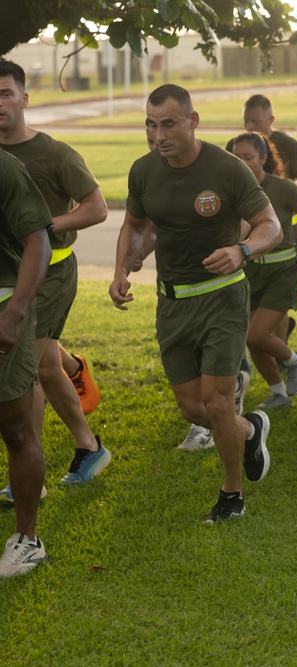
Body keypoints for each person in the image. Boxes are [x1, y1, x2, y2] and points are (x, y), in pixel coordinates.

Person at [110, 84, 281, 524]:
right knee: (192, 408)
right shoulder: (143, 171)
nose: (158, 135)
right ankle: (249, 431)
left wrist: (242, 250)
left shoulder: (226, 169)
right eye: (151, 124)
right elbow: (133, 224)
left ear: (193, 121)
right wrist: (121, 269)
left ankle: (232, 495)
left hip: (222, 299)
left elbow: (271, 226)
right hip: (172, 303)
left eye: (168, 124)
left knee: (219, 402)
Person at [0, 60, 111, 497]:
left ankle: (45, 465)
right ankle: (84, 435)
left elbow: (97, 207)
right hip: (13, 276)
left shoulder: (54, 153)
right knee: (43, 364)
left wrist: (48, 228)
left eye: (6, 93)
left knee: (32, 367)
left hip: (54, 270)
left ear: (25, 99)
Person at [229, 132, 297, 408]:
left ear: (263, 158)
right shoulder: (233, 189)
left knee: (257, 335)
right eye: (236, 157)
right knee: (254, 342)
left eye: (248, 157)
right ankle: (280, 393)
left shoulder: (283, 188)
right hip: (251, 274)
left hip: (283, 272)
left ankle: (296, 360)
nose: (242, 163)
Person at [0, 148, 52, 577]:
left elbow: (39, 242)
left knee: (16, 428)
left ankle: (27, 539)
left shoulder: (5, 168)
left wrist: (15, 314)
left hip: (3, 313)